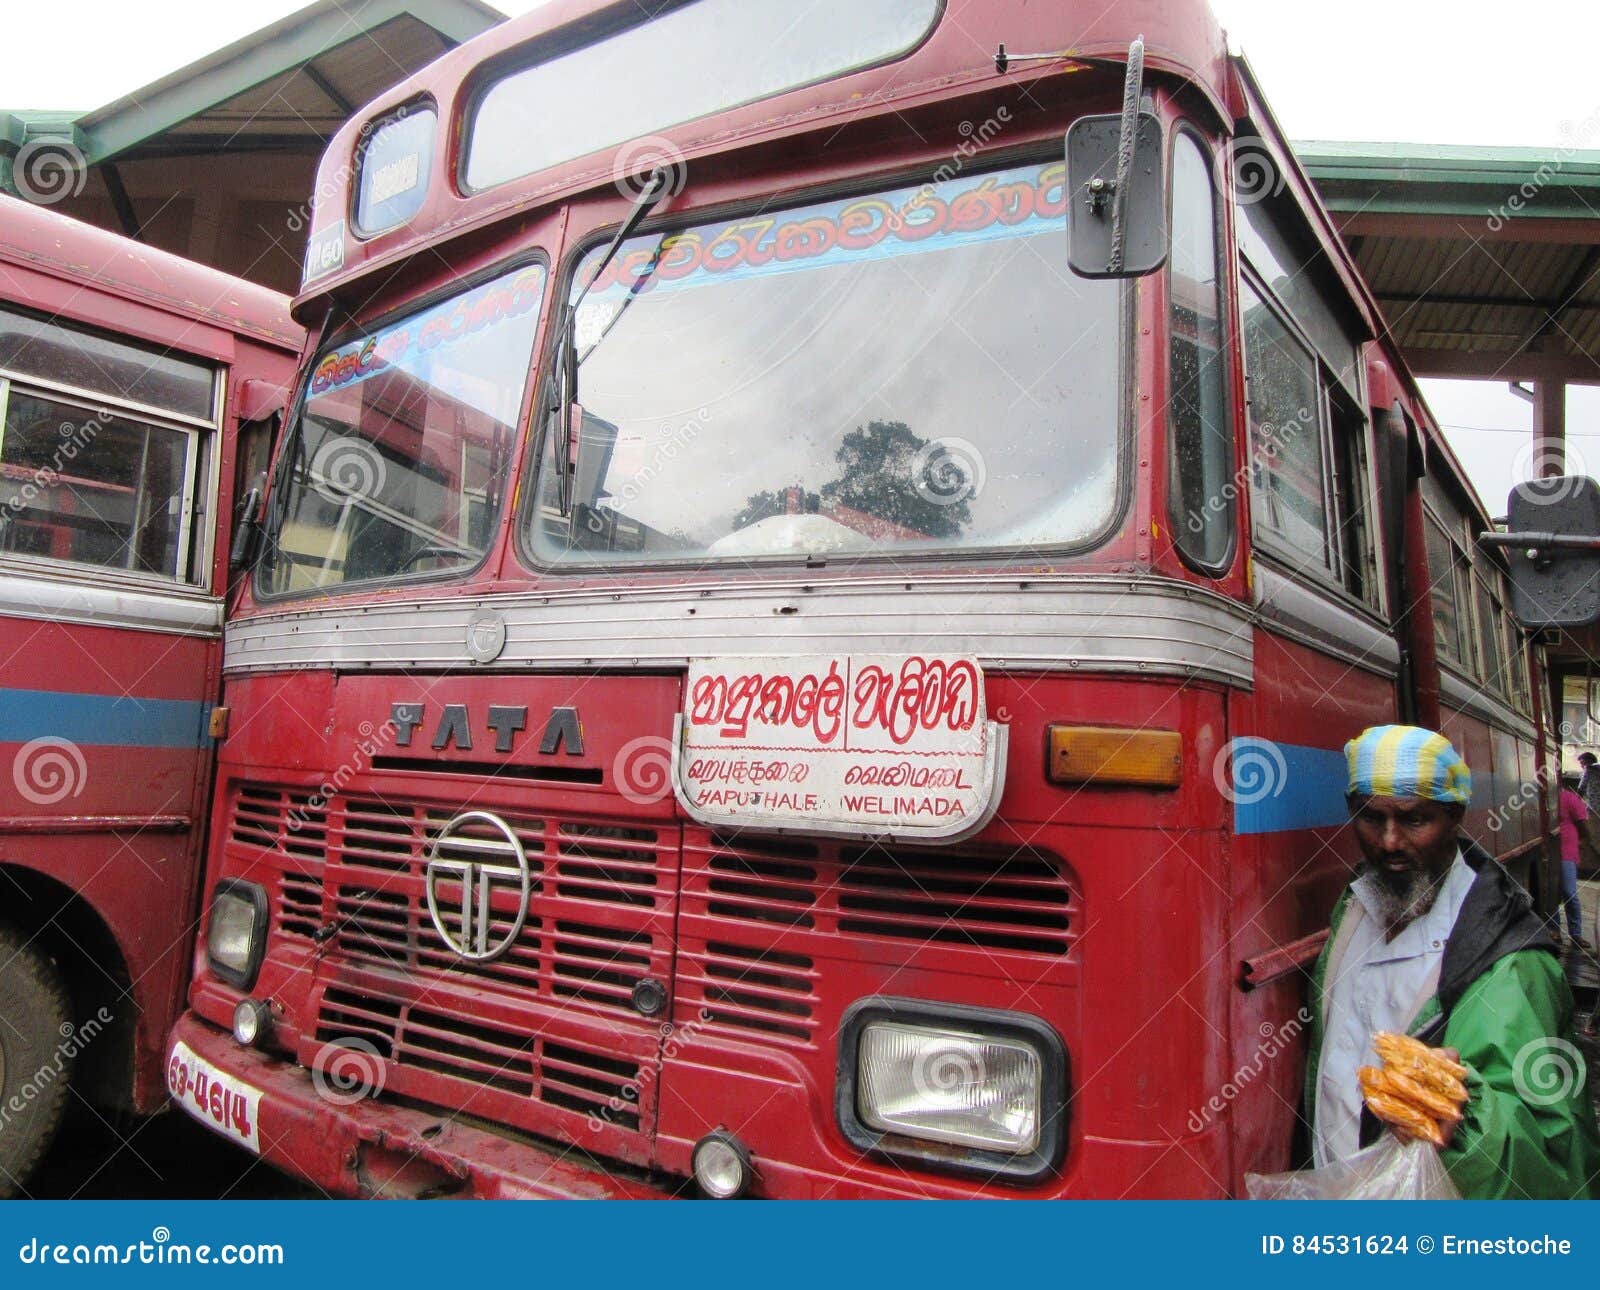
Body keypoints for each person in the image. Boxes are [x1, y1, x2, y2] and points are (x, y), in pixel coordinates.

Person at [1304, 724, 1600, 1199]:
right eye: (1370, 817)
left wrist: (1463, 1118)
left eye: (1414, 819)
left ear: (1456, 816)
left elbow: (1556, 1158)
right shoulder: (1353, 908)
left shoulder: (1515, 969)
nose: (1390, 842)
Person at [1557, 775, 1593, 951]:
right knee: (1551, 894)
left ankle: (1576, 933)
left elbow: (1584, 830)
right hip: (1550, 852)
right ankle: (1553, 930)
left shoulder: (1569, 798)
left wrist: (1581, 844)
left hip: (1566, 852)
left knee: (1569, 892)